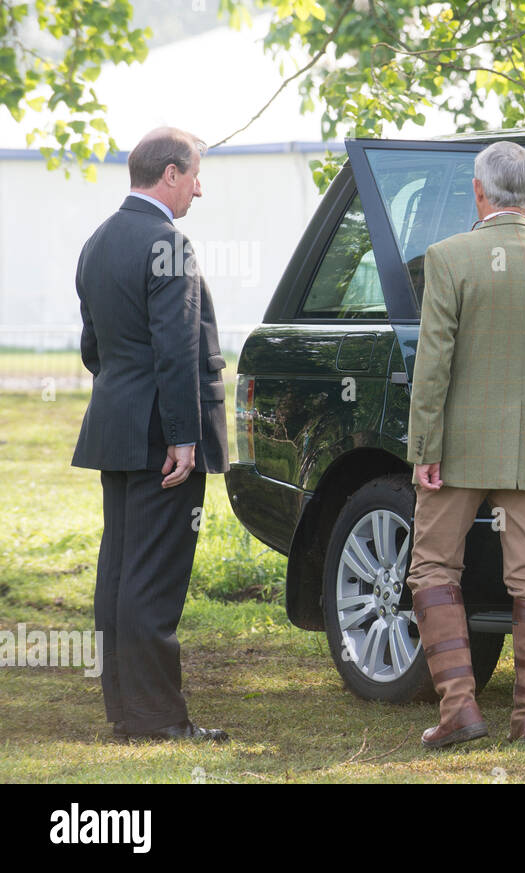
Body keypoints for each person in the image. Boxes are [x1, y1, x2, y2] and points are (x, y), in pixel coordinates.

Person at [407, 140, 525, 749]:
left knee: (433, 567)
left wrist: (424, 445)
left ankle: (460, 709)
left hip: (458, 446)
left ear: (478, 193)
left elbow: (434, 363)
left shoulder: (448, 257)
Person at [72, 127, 229, 742]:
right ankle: (159, 719)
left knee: (118, 572)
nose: (199, 187)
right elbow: (176, 347)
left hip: (116, 425)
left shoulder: (97, 240)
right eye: (194, 175)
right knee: (154, 578)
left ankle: (126, 711)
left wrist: (125, 399)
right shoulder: (169, 243)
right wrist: (182, 437)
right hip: (162, 438)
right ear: (169, 174)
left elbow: (94, 346)